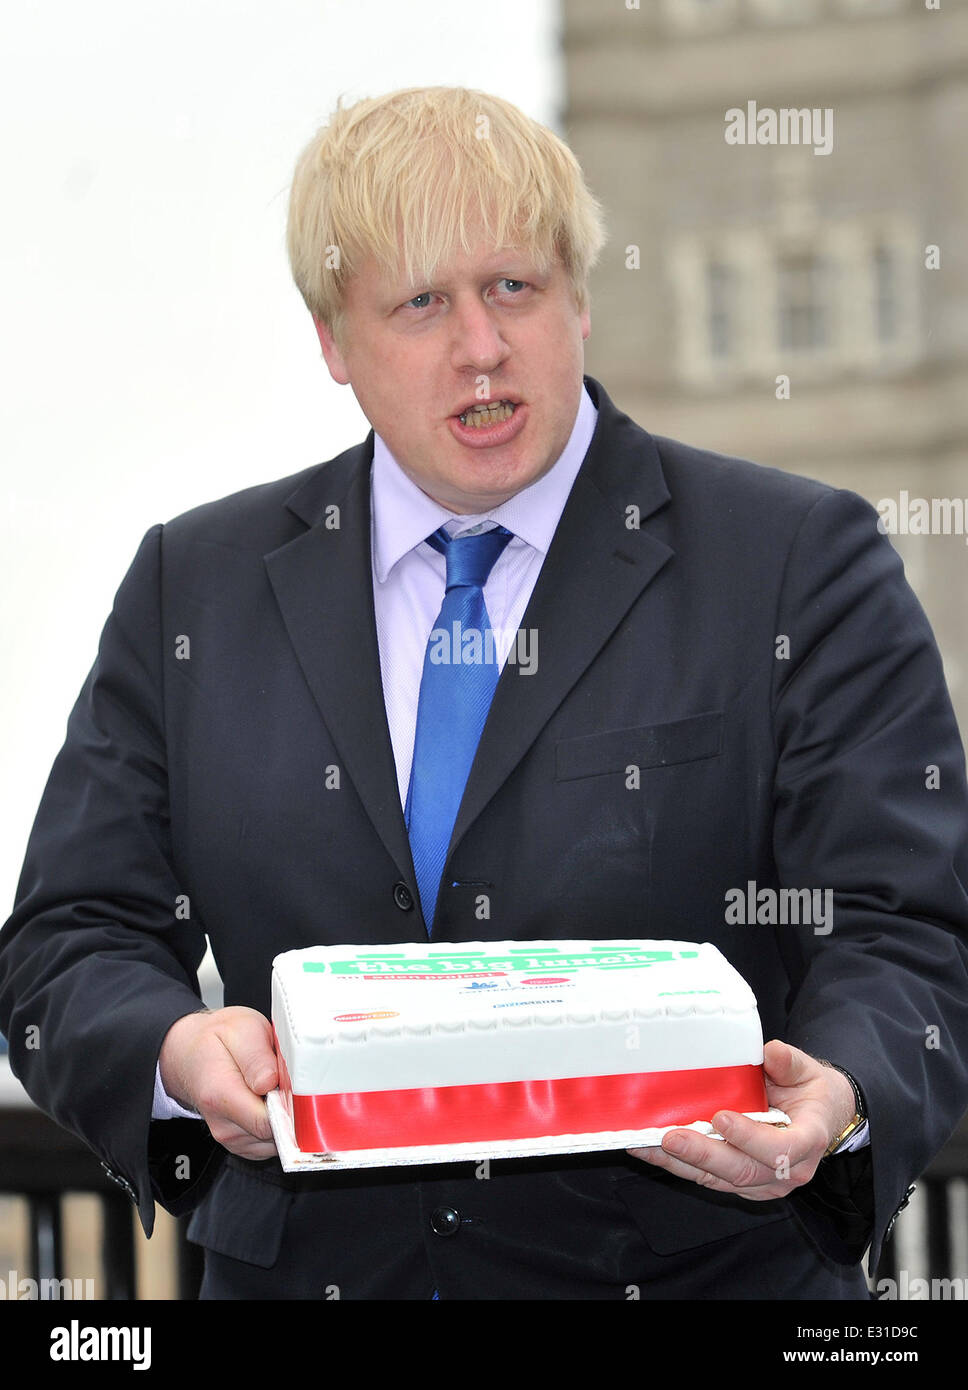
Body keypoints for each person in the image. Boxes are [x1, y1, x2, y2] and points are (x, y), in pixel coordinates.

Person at [2, 86, 967, 1301]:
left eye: (512, 286)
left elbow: (906, 925)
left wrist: (841, 1089)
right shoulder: (190, 590)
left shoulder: (795, 562)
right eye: (418, 303)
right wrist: (171, 1050)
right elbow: (66, 939)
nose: (479, 346)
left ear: (576, 296)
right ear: (332, 341)